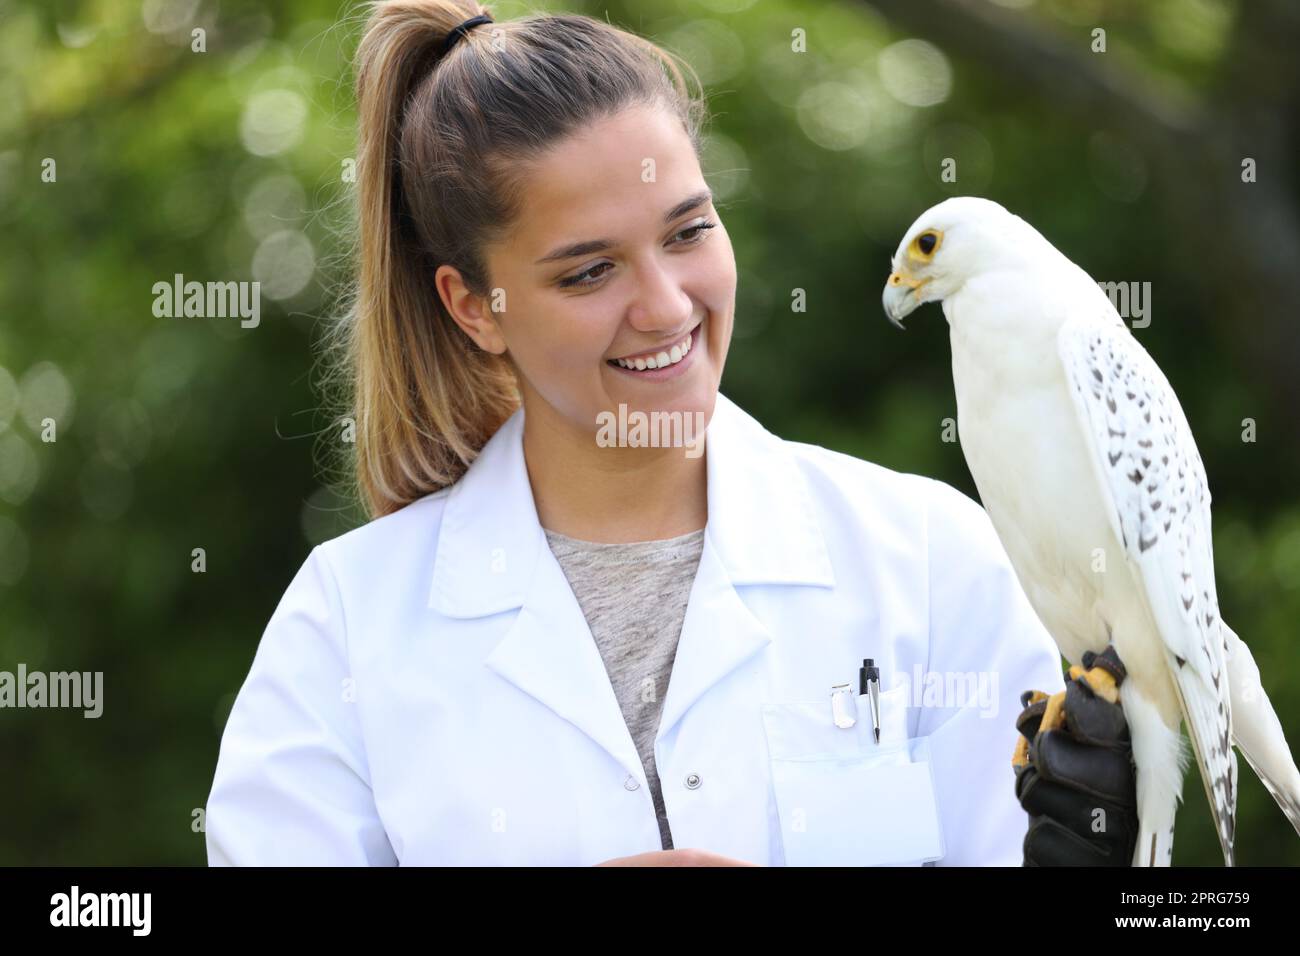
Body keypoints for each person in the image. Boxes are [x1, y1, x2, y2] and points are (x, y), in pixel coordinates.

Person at [204, 1, 1117, 866]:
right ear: (475, 307)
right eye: (590, 271)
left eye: (688, 232)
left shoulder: (930, 562)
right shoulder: (344, 633)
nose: (666, 306)